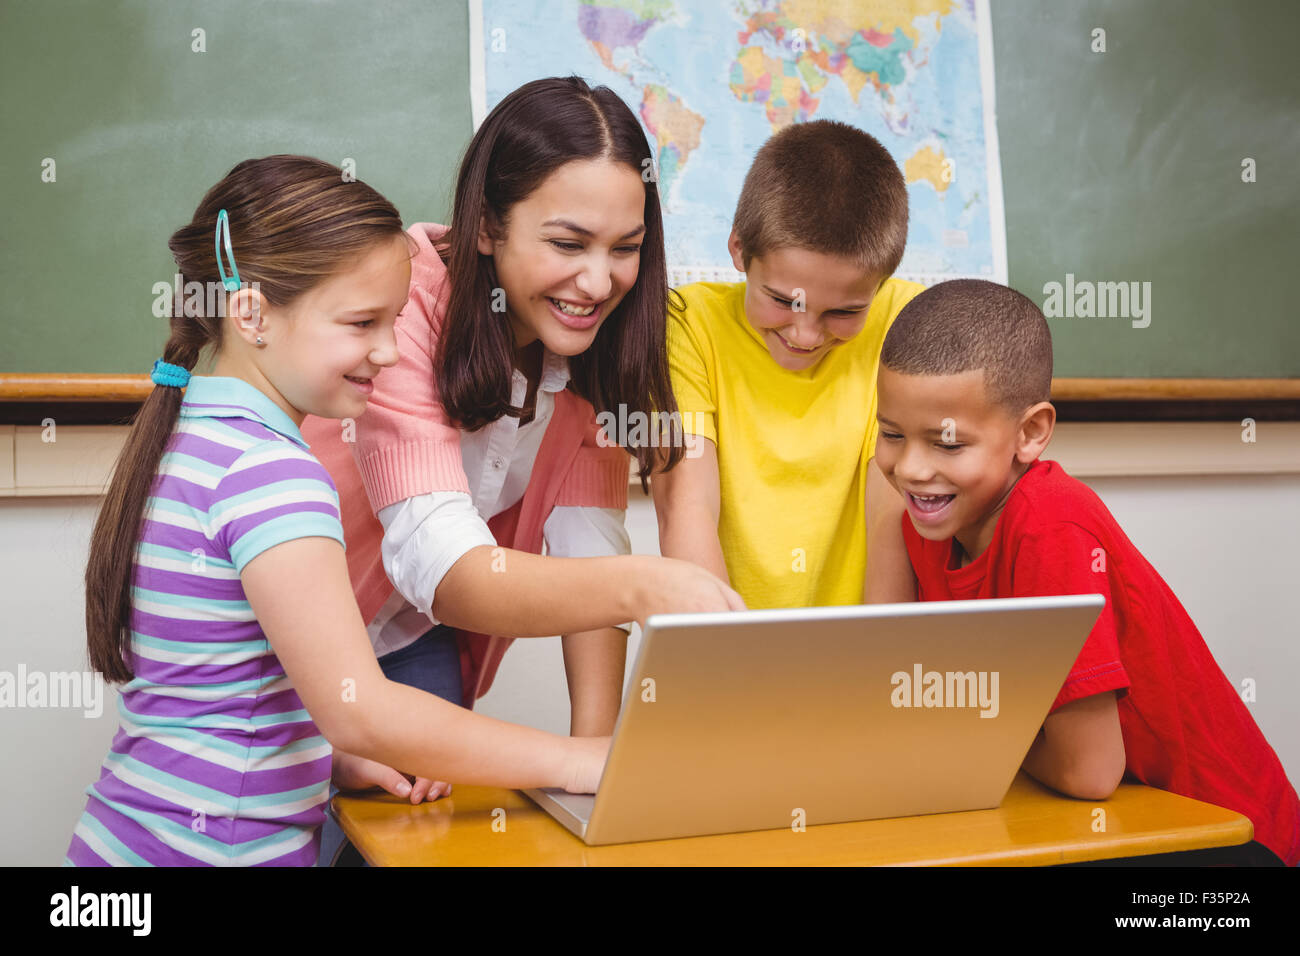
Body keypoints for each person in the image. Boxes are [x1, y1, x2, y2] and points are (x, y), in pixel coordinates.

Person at [66, 156, 613, 867]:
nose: (390, 351)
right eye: (362, 322)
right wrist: (575, 762)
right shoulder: (274, 476)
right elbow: (361, 708)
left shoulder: (184, 436)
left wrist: (321, 759)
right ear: (251, 313)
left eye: (393, 319)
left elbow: (213, 695)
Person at [300, 78, 745, 861]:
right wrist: (650, 584)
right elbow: (449, 569)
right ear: (484, 228)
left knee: (409, 844)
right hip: (295, 628)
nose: (599, 282)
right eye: (568, 245)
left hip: (412, 638)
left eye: (627, 249)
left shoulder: (596, 352)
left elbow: (587, 558)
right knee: (274, 825)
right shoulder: (400, 301)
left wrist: (603, 769)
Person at [874, 277, 1300, 866]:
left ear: (1030, 433)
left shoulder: (1052, 527)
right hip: (1112, 821)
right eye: (891, 434)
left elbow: (1091, 770)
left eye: (947, 445)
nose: (912, 469)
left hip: (1234, 842)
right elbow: (894, 693)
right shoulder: (924, 524)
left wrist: (962, 725)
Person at [651, 120, 922, 611]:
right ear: (739, 250)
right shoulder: (687, 325)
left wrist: (885, 660)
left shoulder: (904, 321)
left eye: (843, 312)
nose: (805, 334)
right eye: (782, 300)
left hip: (866, 653)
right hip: (726, 654)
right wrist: (721, 654)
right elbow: (684, 507)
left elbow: (892, 520)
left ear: (882, 284)